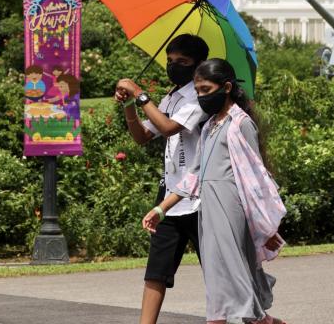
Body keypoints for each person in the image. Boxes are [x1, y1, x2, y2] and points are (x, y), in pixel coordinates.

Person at [142, 58, 287, 324]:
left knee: (235, 275)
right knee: (218, 276)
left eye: (206, 90)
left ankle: (250, 319)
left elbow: (256, 178)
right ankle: (250, 320)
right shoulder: (209, 126)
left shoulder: (240, 124)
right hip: (207, 210)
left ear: (227, 87)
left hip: (232, 208)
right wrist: (162, 208)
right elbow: (194, 175)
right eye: (197, 91)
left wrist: (266, 227)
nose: (201, 97)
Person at [114, 34, 209, 324]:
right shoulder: (173, 96)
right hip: (169, 199)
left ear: (199, 65)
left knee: (218, 270)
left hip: (200, 198)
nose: (174, 66)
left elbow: (168, 128)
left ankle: (247, 317)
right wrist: (129, 104)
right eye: (170, 61)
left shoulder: (202, 97)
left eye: (182, 62)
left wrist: (140, 92)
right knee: (156, 270)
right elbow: (143, 136)